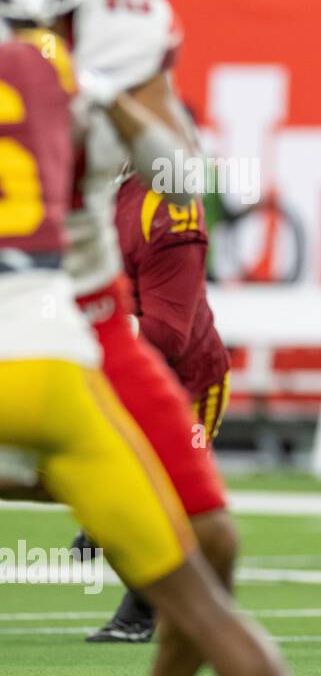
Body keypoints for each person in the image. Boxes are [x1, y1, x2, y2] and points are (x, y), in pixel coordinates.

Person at [0, 0, 276, 676]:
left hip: (87, 317)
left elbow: (179, 175)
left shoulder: (123, 38)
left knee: (212, 542)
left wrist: (104, 94)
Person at [71, 174, 232, 643]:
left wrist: (80, 328)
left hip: (183, 382)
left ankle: (146, 611)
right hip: (105, 373)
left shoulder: (165, 204)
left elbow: (168, 332)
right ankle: (104, 512)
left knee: (180, 500)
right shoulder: (70, 185)